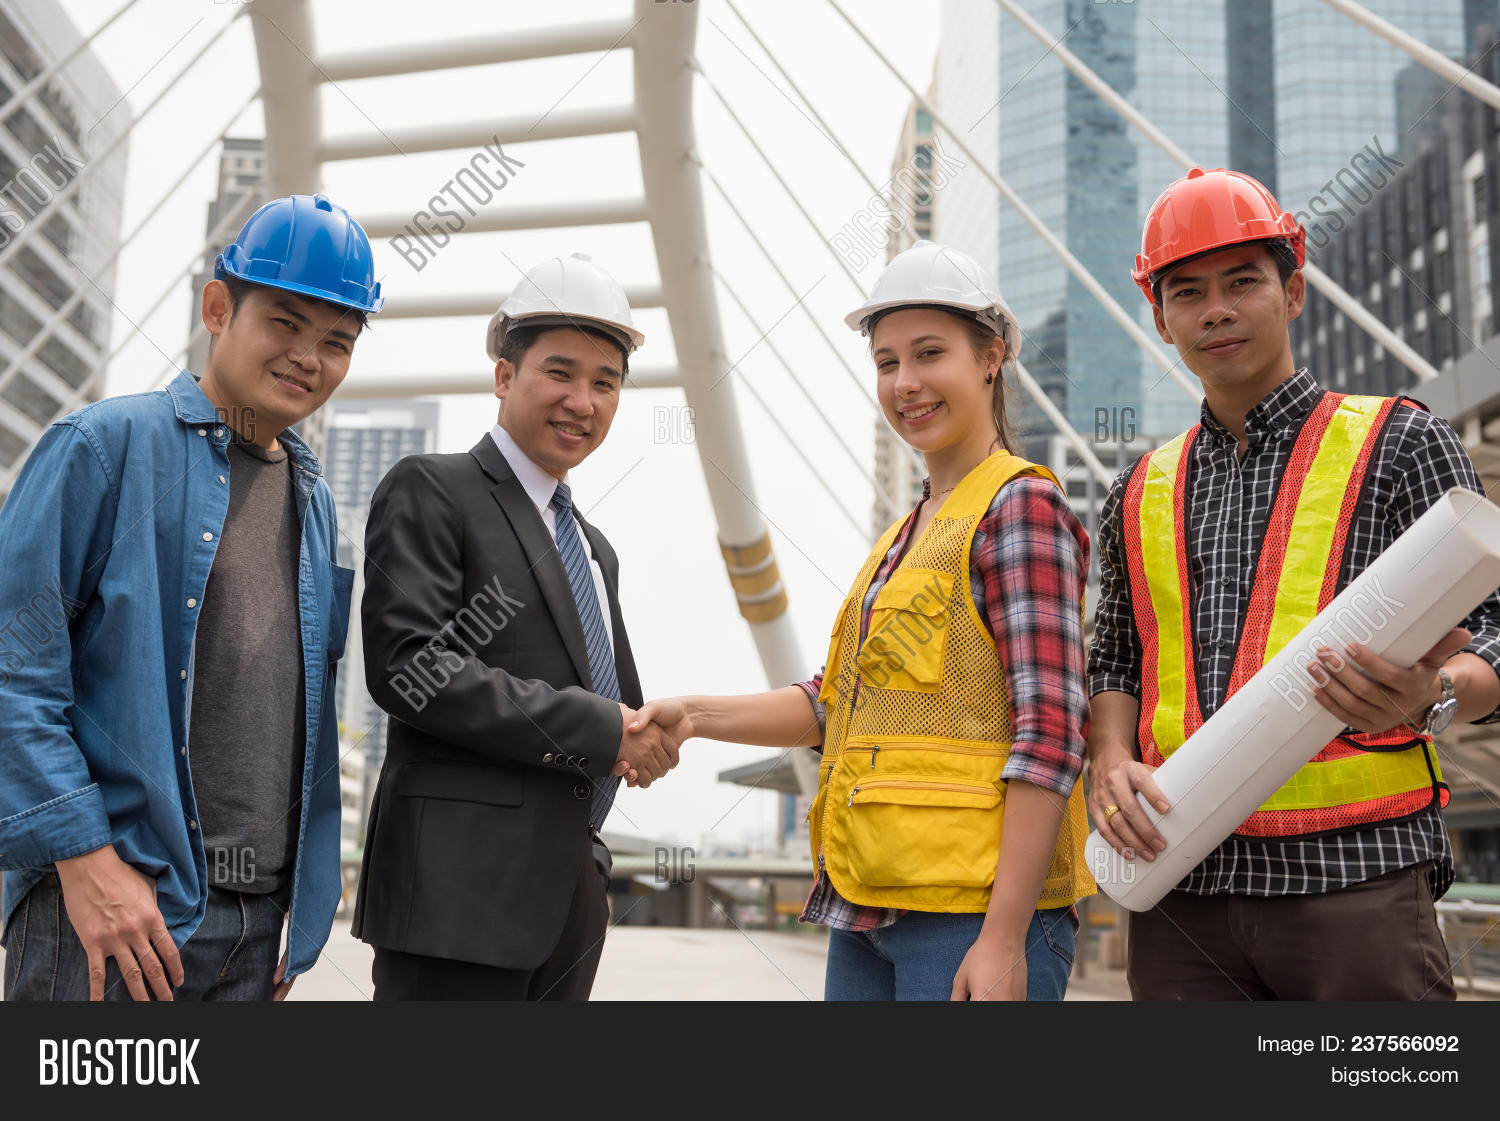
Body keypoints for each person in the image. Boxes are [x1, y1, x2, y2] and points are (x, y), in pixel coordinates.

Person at [630, 240, 1094, 1001]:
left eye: (929, 353)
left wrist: (1004, 936)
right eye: (887, 362)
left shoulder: (1021, 508)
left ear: (992, 356)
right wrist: (695, 715)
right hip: (868, 910)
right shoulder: (902, 539)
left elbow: (1051, 732)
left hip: (974, 919)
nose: (905, 382)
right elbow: (834, 705)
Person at [1088, 166, 1500, 1000]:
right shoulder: (1136, 491)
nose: (1216, 309)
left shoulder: (1400, 444)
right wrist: (1108, 755)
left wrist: (1434, 695)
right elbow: (1117, 658)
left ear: (1295, 291)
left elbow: (1496, 628)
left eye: (1243, 281)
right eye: (1187, 292)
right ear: (1161, 319)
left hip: (1356, 880)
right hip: (1181, 889)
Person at [0, 193, 381, 1000]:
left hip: (253, 933)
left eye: (336, 341)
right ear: (217, 308)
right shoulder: (103, 449)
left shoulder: (314, 505)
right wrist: (86, 860)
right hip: (112, 916)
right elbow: (12, 673)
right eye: (285, 323)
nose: (308, 357)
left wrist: (280, 916)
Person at [352, 252, 684, 1001]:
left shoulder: (594, 548)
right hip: (454, 904)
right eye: (560, 373)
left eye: (606, 383)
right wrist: (606, 729)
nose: (582, 401)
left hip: (567, 905)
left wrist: (644, 736)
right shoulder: (433, 489)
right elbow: (411, 668)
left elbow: (612, 705)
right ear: (504, 375)